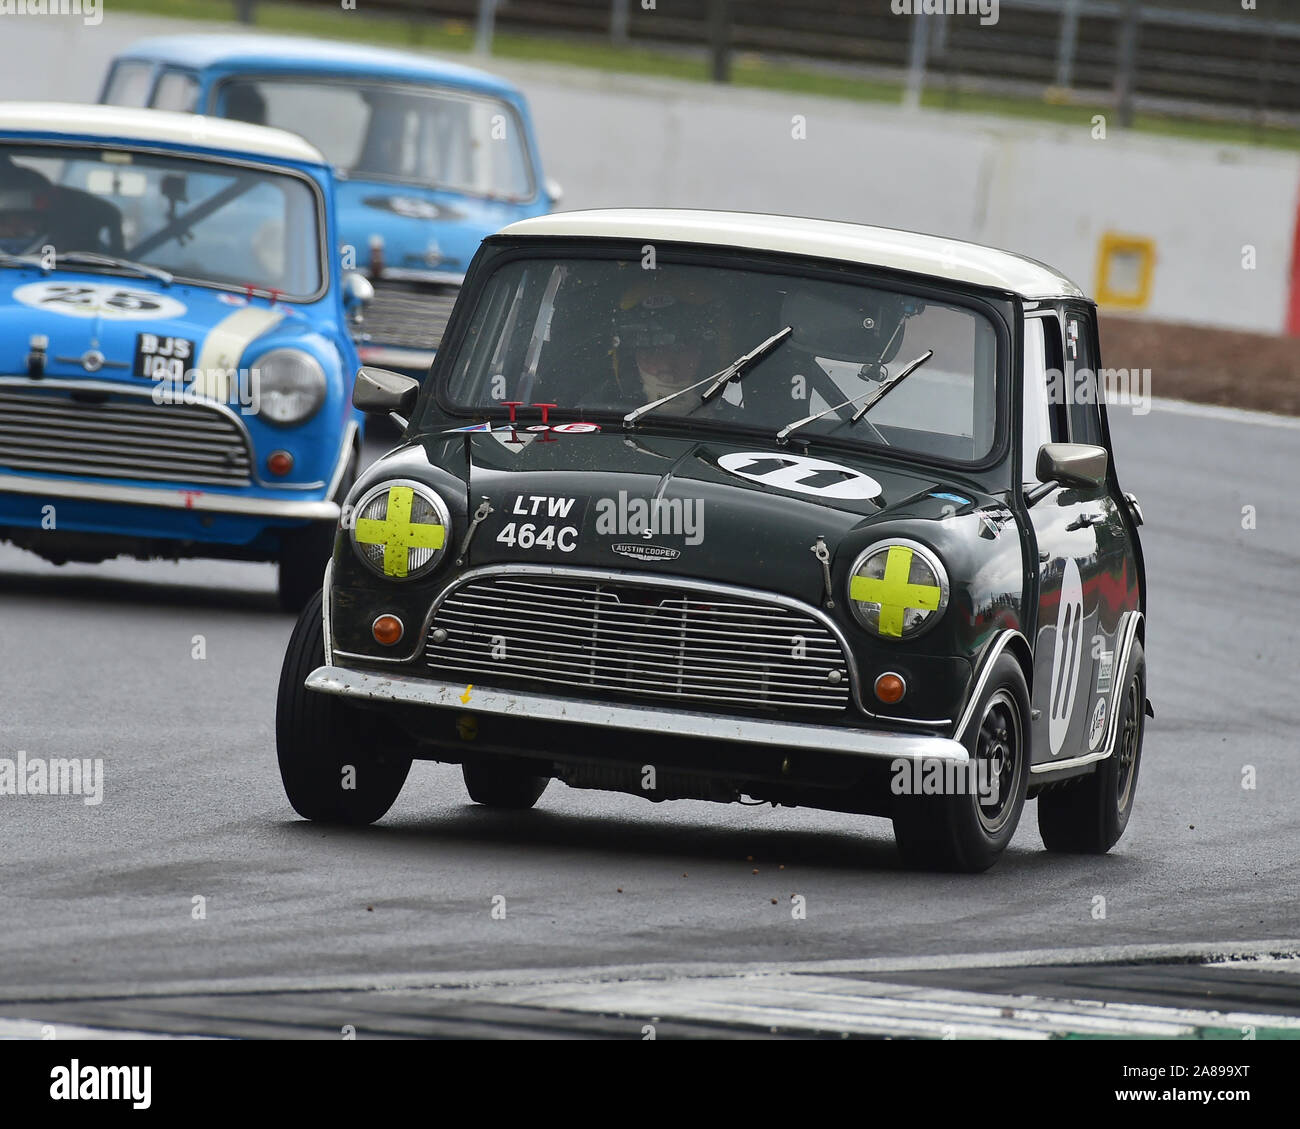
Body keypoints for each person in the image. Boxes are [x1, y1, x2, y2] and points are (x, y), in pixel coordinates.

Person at [612, 274, 730, 405]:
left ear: (709, 354)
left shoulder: (751, 419)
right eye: (650, 351)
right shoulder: (592, 412)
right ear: (631, 362)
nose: (665, 367)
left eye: (679, 349)